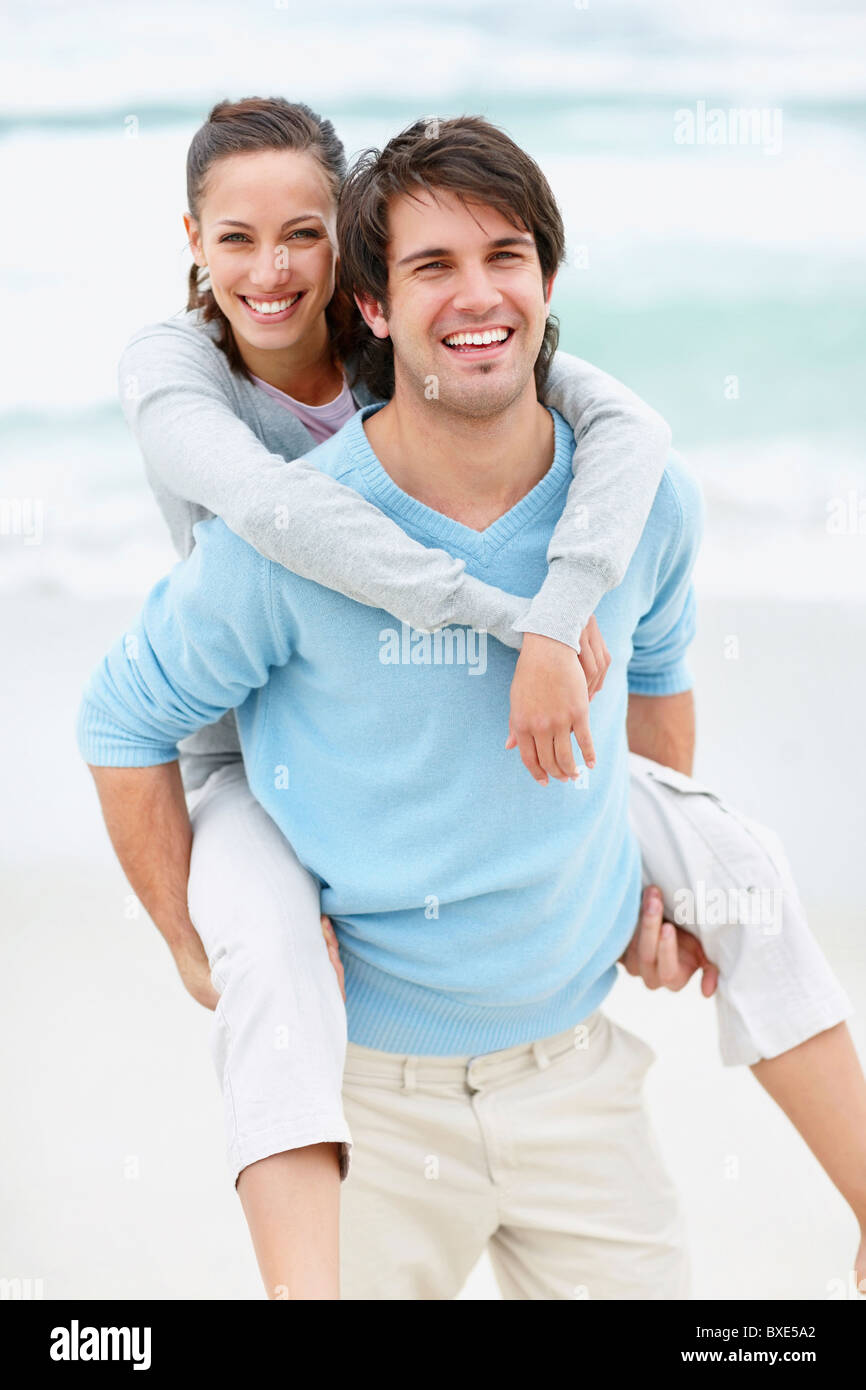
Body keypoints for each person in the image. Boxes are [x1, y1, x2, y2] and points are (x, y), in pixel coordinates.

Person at [79, 111, 863, 1299]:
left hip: (576, 1084)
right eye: (431, 265)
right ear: (374, 307)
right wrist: (191, 948)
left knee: (732, 856)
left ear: (550, 278)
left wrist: (646, 888)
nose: (476, 293)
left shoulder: (638, 493)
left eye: (506, 256)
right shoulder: (264, 518)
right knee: (267, 962)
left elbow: (653, 679)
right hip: (370, 1105)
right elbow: (122, 716)